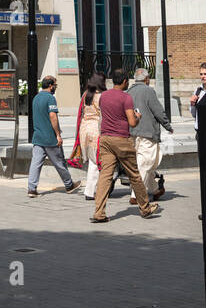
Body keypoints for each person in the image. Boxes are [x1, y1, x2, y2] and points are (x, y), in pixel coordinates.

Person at [91, 68, 159, 223]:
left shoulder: (103, 96)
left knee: (105, 176)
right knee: (134, 174)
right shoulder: (126, 98)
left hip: (105, 139)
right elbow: (132, 122)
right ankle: (145, 208)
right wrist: (138, 116)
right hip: (121, 139)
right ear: (124, 81)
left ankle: (99, 212)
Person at [27, 75, 81, 198]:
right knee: (59, 162)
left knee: (35, 163)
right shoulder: (50, 98)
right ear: (51, 86)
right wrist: (58, 134)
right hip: (49, 138)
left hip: (38, 137)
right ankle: (69, 185)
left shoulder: (36, 97)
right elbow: (53, 116)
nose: (55, 87)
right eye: (55, 85)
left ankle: (32, 188)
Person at [128, 67, 173, 203]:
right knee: (146, 163)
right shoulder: (149, 91)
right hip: (147, 132)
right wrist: (167, 125)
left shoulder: (128, 92)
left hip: (132, 133)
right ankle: (136, 195)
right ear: (147, 79)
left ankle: (155, 190)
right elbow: (158, 111)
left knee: (144, 163)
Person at [70, 72, 106, 202]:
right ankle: (90, 191)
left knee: (92, 160)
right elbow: (103, 115)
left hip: (84, 129)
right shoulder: (101, 96)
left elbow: (80, 113)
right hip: (96, 129)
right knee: (95, 161)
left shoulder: (86, 94)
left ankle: (91, 189)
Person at [189, 62, 206, 133]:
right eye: (201, 74)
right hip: (200, 130)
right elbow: (194, 114)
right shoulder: (198, 91)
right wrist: (192, 104)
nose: (203, 76)